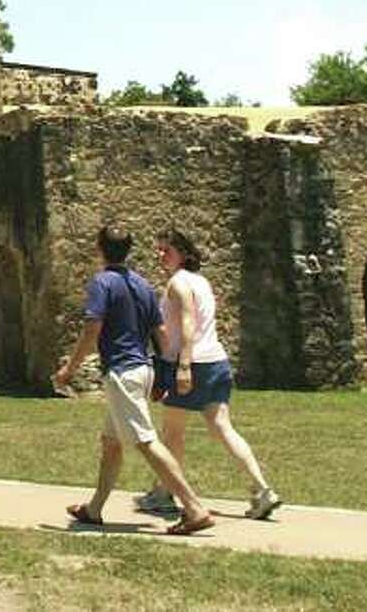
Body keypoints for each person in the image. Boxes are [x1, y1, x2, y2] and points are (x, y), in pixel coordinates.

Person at [54, 224, 215, 535]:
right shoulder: (142, 284)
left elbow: (92, 329)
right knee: (111, 443)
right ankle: (94, 509)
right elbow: (162, 334)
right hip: (142, 370)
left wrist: (69, 368)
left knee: (146, 442)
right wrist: (165, 373)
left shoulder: (102, 282)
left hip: (122, 374)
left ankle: (194, 508)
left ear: (99, 248)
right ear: (129, 251)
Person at [134, 228, 283, 521]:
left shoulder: (178, 283)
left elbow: (188, 322)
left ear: (183, 254)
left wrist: (184, 366)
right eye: (159, 249)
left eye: (167, 250)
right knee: (222, 428)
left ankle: (164, 493)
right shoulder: (201, 281)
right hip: (216, 362)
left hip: (192, 364)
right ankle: (262, 489)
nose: (161, 255)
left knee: (172, 434)